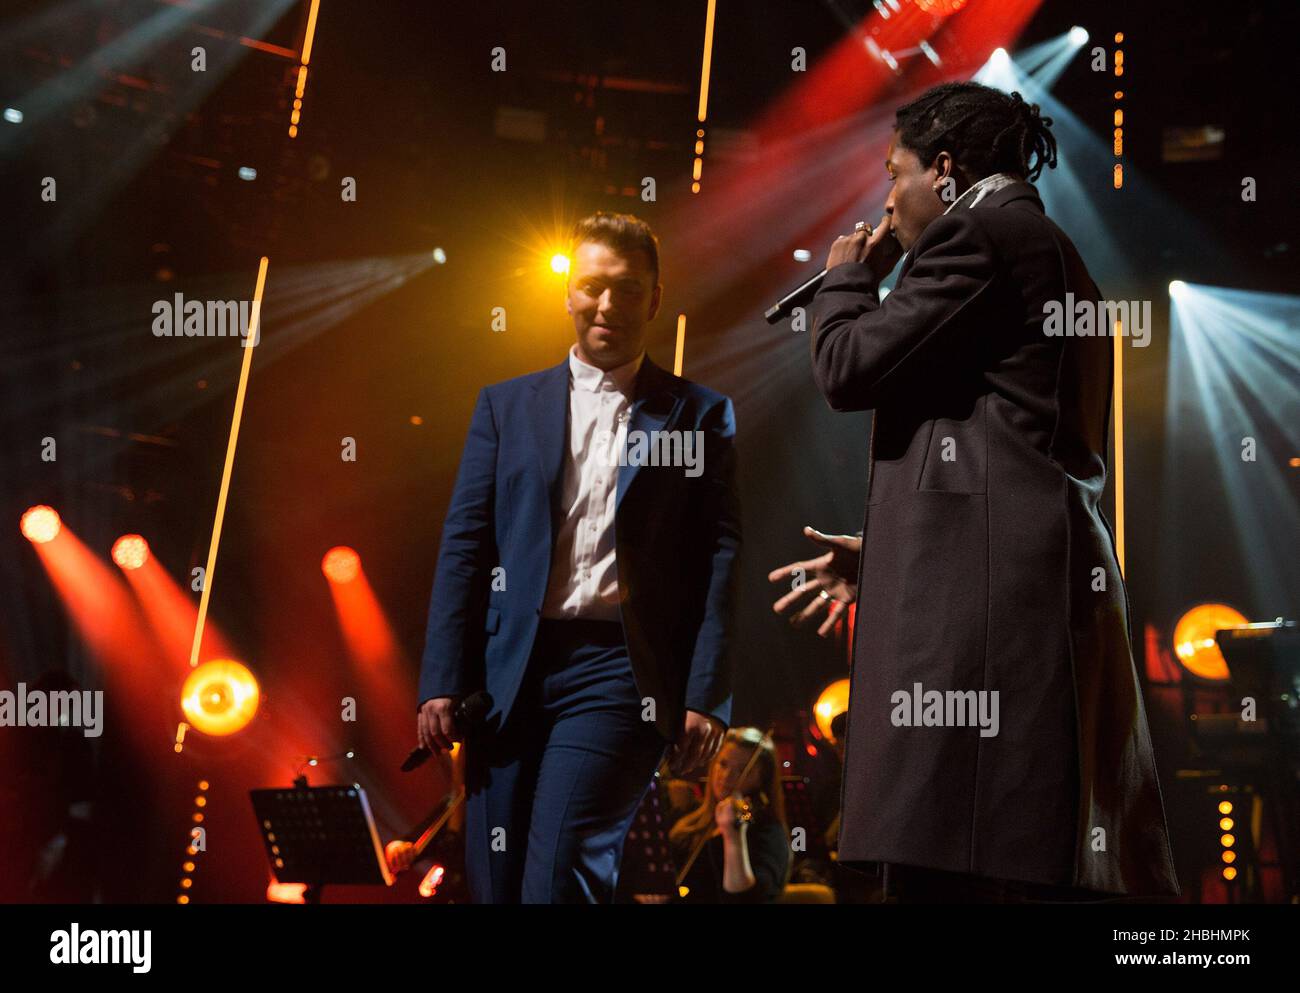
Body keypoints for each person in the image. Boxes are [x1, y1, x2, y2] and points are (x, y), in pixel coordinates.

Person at [769, 82, 1179, 902]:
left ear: (945, 170)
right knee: (1014, 850)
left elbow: (847, 368)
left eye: (896, 175)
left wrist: (847, 279)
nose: (886, 201)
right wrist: (886, 549)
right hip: (1022, 591)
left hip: (990, 625)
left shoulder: (978, 236)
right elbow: (1009, 450)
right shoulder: (1045, 244)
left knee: (963, 856)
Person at [417, 211, 741, 903]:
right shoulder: (504, 406)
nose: (607, 304)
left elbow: (722, 554)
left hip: (619, 674)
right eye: (593, 285)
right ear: (567, 290)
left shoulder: (700, 414)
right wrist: (442, 678)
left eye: (628, 289)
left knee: (559, 878)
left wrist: (705, 696)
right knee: (496, 884)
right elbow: (464, 544)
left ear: (654, 299)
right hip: (506, 679)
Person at [667, 727, 790, 903]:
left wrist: (733, 836)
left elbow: (746, 900)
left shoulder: (768, 831)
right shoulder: (689, 819)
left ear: (762, 779)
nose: (727, 776)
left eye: (741, 770)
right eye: (723, 764)